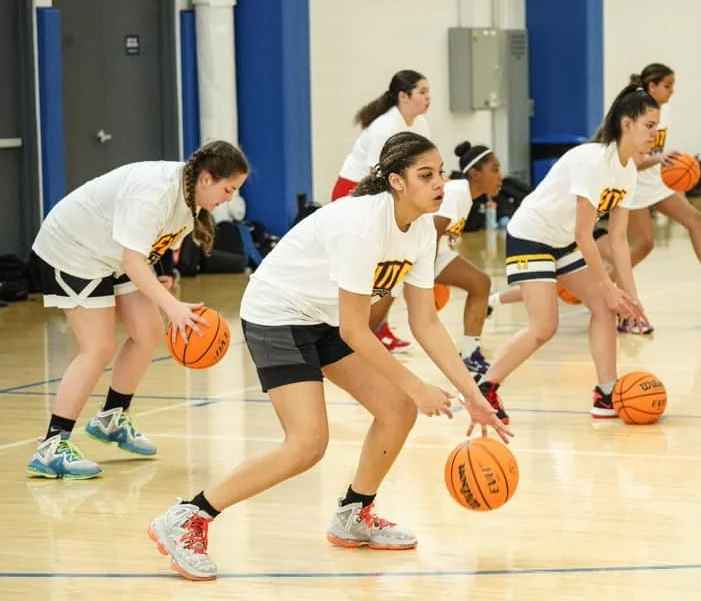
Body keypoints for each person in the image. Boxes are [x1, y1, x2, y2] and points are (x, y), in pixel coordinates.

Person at [147, 132, 512, 582]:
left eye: (441, 174)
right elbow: (355, 329)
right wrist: (416, 386)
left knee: (396, 409)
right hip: (277, 312)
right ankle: (188, 516)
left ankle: (354, 514)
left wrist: (473, 396)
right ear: (396, 181)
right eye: (426, 175)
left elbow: (426, 323)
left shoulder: (419, 230)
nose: (440, 183)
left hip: (323, 315)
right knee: (307, 443)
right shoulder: (362, 225)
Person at [27, 141, 250, 479]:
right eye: (228, 188)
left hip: (111, 253)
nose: (230, 198)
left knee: (149, 332)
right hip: (73, 248)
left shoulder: (191, 200)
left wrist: (157, 278)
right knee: (98, 348)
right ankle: (51, 446)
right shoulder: (154, 192)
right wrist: (172, 306)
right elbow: (132, 260)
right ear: (207, 178)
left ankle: (112, 417)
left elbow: (145, 250)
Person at [475, 83, 654, 424]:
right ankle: (486, 387)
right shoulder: (593, 161)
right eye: (649, 126)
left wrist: (632, 298)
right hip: (531, 235)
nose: (654, 134)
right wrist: (607, 285)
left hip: (561, 239)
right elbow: (584, 234)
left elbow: (617, 241)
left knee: (605, 309)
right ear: (626, 124)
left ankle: (606, 393)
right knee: (544, 326)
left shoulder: (628, 170)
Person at [592, 64, 701, 333]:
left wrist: (674, 178)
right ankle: (605, 289)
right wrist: (658, 159)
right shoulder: (634, 110)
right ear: (652, 86)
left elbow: (656, 156)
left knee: (696, 220)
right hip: (631, 184)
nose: (672, 92)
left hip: (654, 182)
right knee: (643, 244)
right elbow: (629, 160)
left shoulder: (661, 113)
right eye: (667, 86)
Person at [331, 69, 432, 353]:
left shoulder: (420, 124)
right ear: (403, 96)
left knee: (390, 268)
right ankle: (359, 330)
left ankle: (377, 328)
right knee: (373, 268)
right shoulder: (384, 127)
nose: (428, 98)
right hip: (355, 191)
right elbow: (378, 175)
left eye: (428, 92)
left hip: (387, 193)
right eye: (422, 92)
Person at [434, 141, 504, 374]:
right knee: (378, 309)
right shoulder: (457, 192)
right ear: (475, 173)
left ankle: (469, 353)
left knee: (480, 283)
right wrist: (423, 276)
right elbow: (434, 230)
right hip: (418, 254)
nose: (500, 176)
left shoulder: (465, 194)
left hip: (436, 253)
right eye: (494, 170)